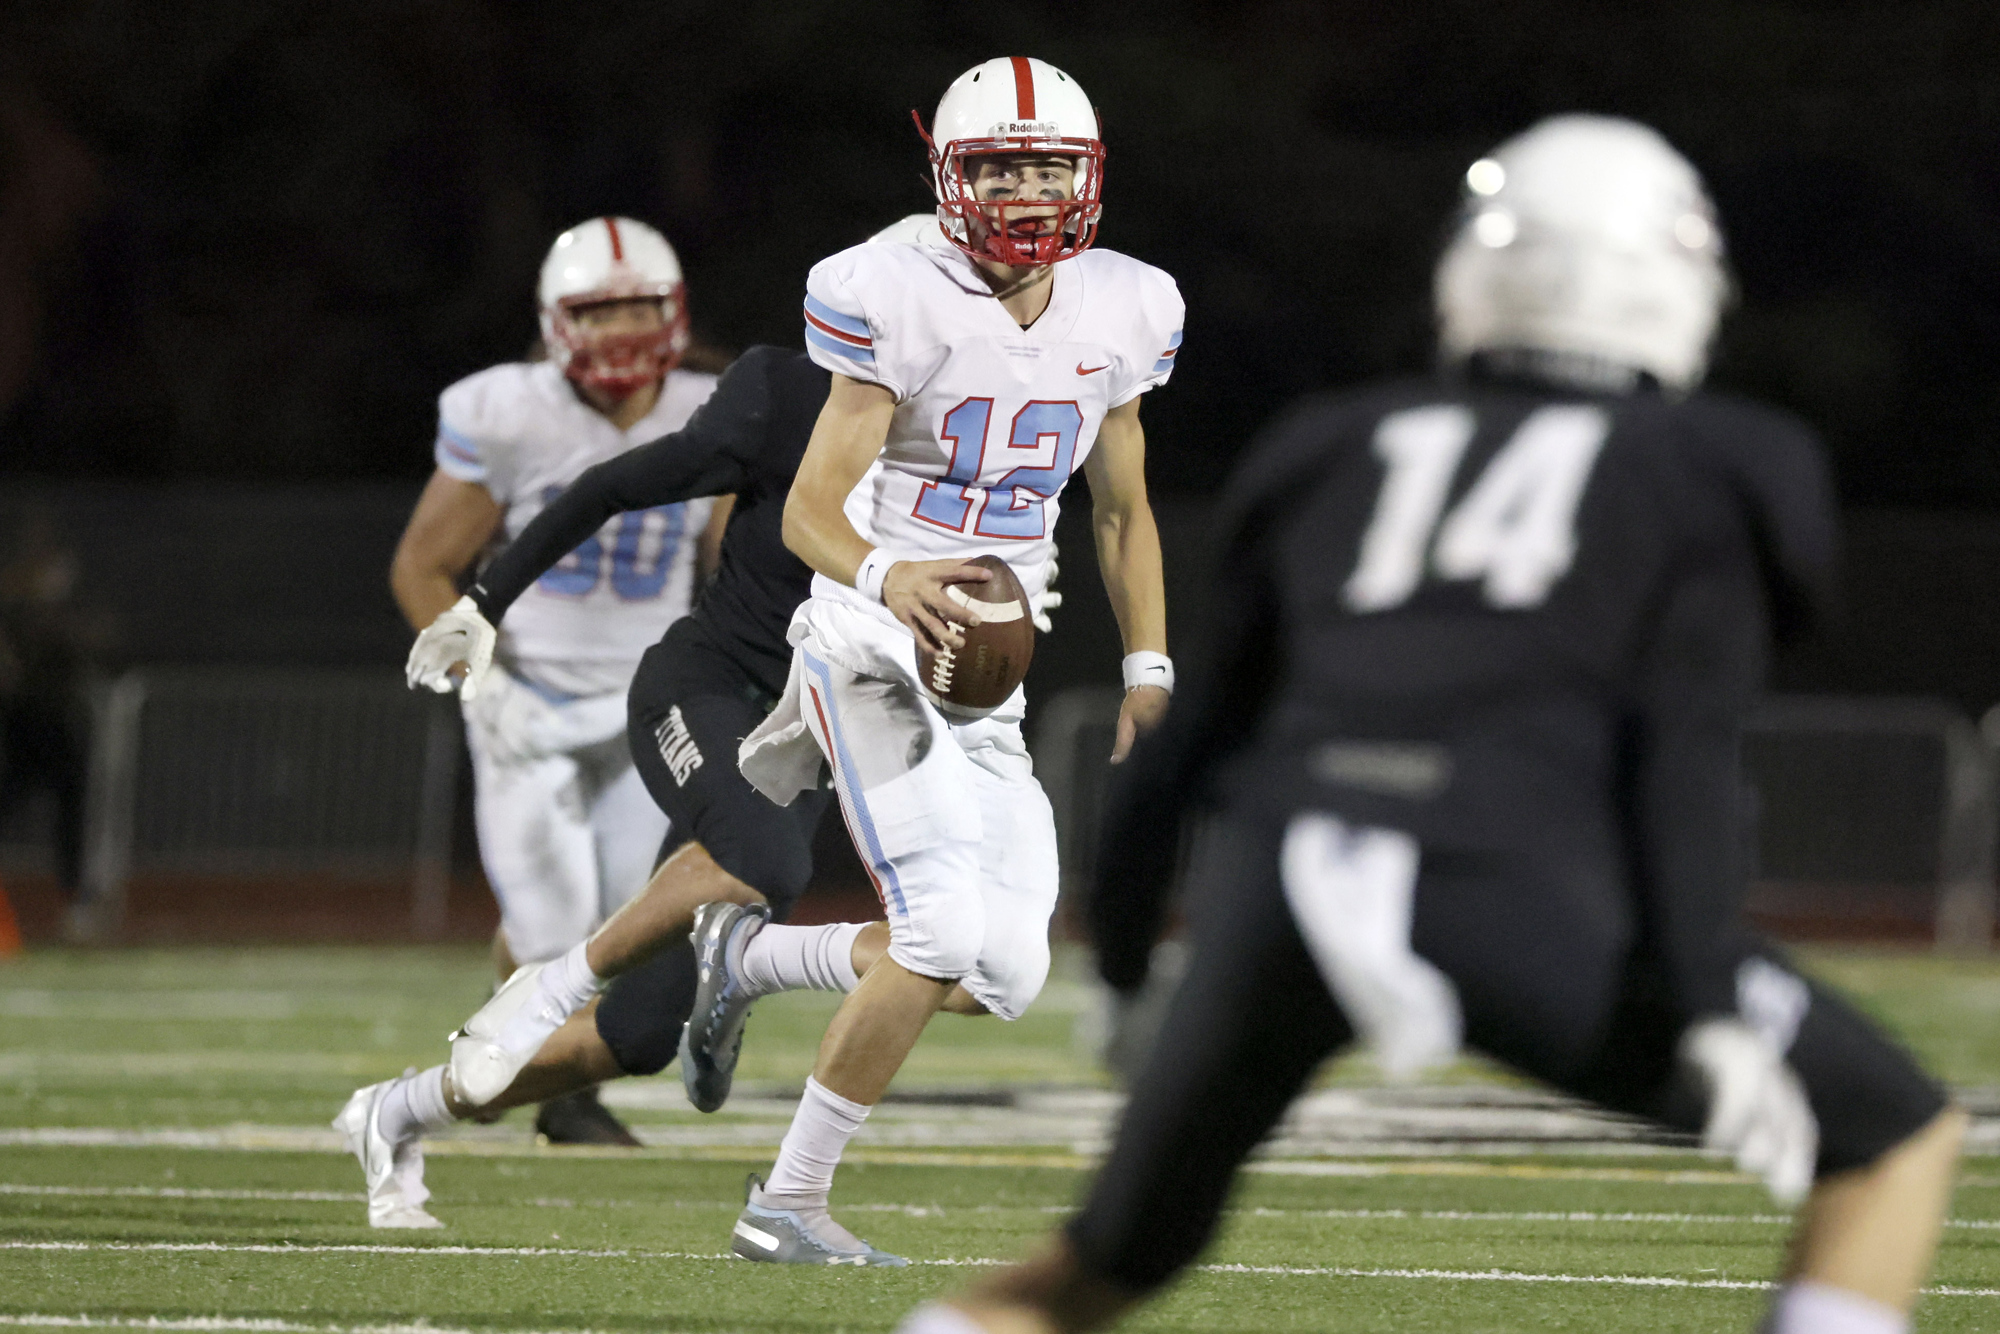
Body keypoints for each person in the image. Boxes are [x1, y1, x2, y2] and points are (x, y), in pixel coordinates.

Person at [896, 116, 1964, 1334]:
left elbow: (1186, 752)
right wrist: (1703, 989)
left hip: (1278, 888)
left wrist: (1133, 966)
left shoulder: (1326, 444)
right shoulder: (1730, 459)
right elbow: (1683, 753)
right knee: (1891, 1136)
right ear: (1679, 278)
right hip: (1506, 889)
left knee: (1102, 1265)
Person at [340, 218, 1044, 1230]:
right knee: (765, 858)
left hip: (837, 720)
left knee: (643, 1034)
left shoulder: (991, 430)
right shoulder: (787, 394)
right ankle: (553, 984)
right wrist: (484, 604)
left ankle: (396, 1110)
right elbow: (610, 483)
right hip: (717, 687)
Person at [690, 55, 1182, 1267]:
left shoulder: (1128, 303)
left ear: (1089, 171)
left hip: (986, 662)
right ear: (946, 175)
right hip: (866, 634)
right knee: (940, 921)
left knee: (1005, 966)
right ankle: (786, 1203)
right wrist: (885, 575)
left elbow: (1118, 508)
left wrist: (1148, 668)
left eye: (1047, 164)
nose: (1026, 188)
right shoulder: (888, 288)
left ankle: (746, 954)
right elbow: (808, 508)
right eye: (999, 164)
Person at [380, 216, 721, 1148]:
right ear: (556, 319)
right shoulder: (508, 411)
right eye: (596, 309)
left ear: (673, 310)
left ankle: (535, 1080)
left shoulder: (714, 409)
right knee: (547, 927)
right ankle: (529, 1074)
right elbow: (422, 566)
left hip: (649, 706)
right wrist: (473, 677)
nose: (618, 328)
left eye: (635, 306)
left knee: (622, 928)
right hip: (527, 699)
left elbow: (734, 567)